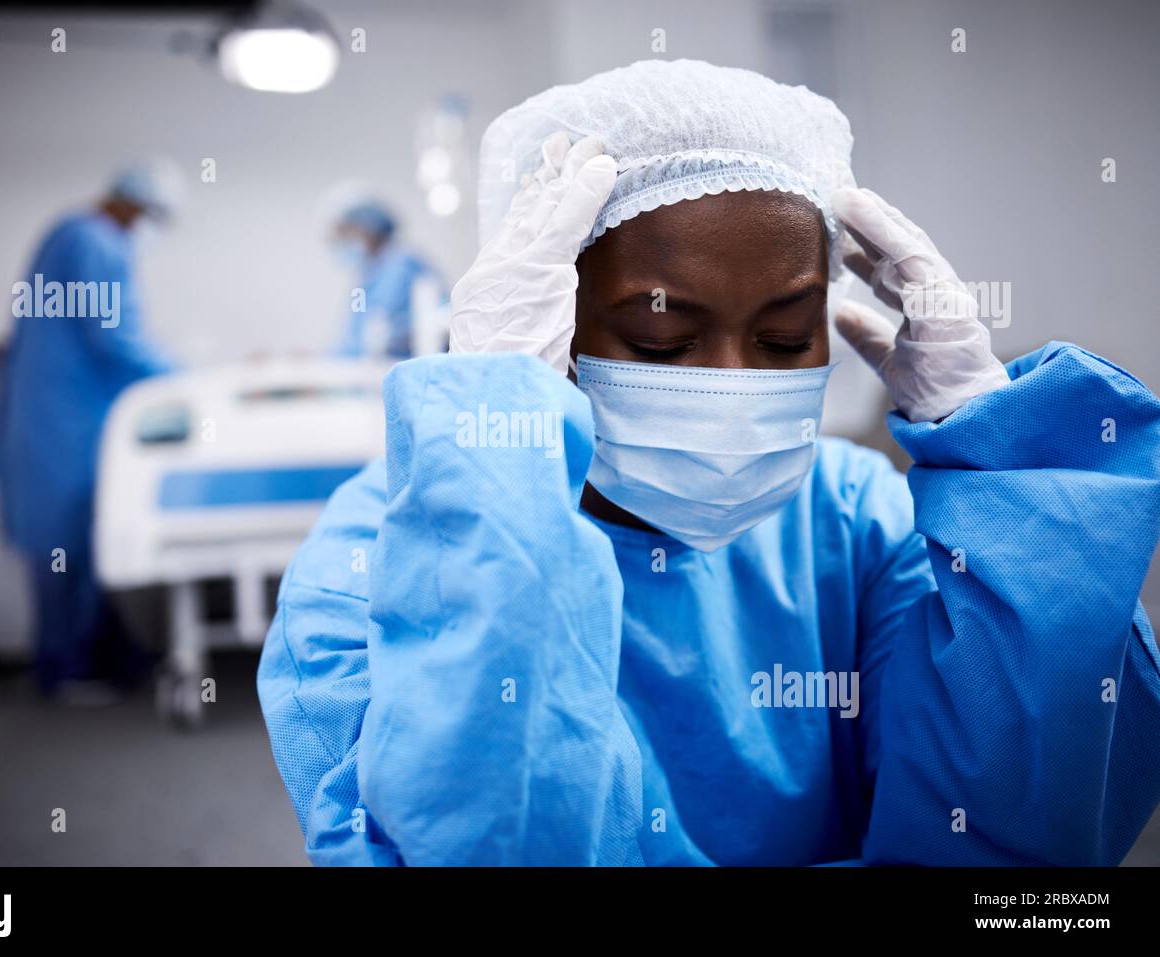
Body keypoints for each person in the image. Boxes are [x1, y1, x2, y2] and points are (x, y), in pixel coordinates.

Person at [257, 61, 1160, 865]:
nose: (731, 383)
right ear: (549, 331)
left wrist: (1003, 467)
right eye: (659, 342)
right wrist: (499, 486)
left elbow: (1029, 826)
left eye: (783, 337)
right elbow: (477, 836)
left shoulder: (851, 519)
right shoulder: (374, 570)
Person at [0, 159, 185, 698]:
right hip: (67, 423)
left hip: (51, 415)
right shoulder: (97, 242)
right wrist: (185, 375)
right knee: (68, 544)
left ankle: (86, 661)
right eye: (153, 215)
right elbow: (115, 338)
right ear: (132, 204)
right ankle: (67, 671)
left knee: (68, 543)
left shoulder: (67, 234)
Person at [330, 199, 438, 359]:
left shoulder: (403, 264)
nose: (344, 241)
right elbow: (355, 336)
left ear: (368, 227)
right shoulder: (367, 275)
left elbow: (389, 329)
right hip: (364, 371)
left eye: (347, 232)